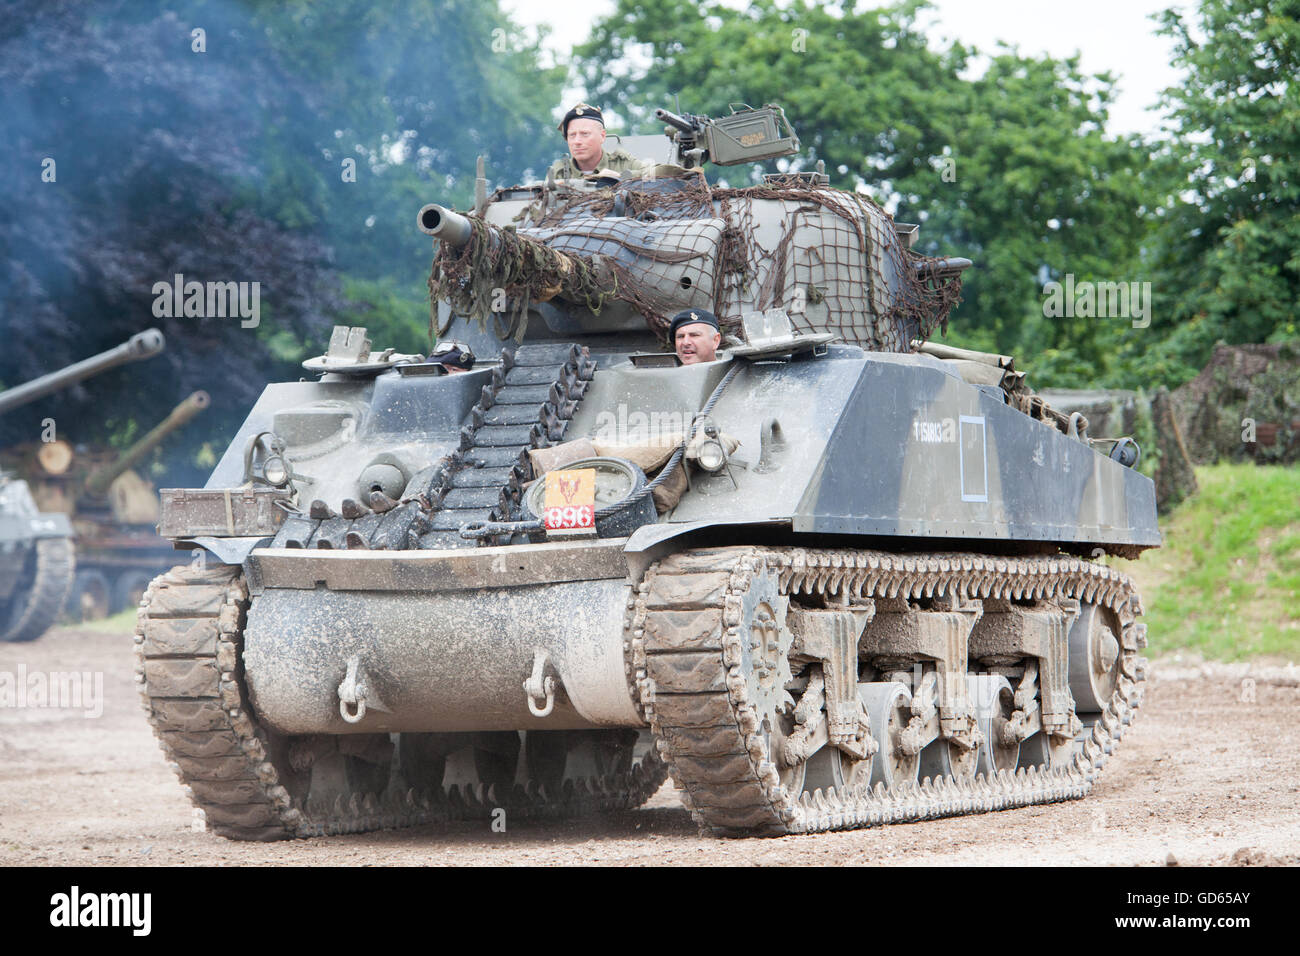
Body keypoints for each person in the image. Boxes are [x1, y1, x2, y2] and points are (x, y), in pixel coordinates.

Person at [548, 103, 650, 181]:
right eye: (572, 135)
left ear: (602, 136)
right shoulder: (559, 172)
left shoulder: (621, 163)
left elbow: (661, 172)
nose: (577, 141)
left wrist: (621, 176)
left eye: (585, 134)